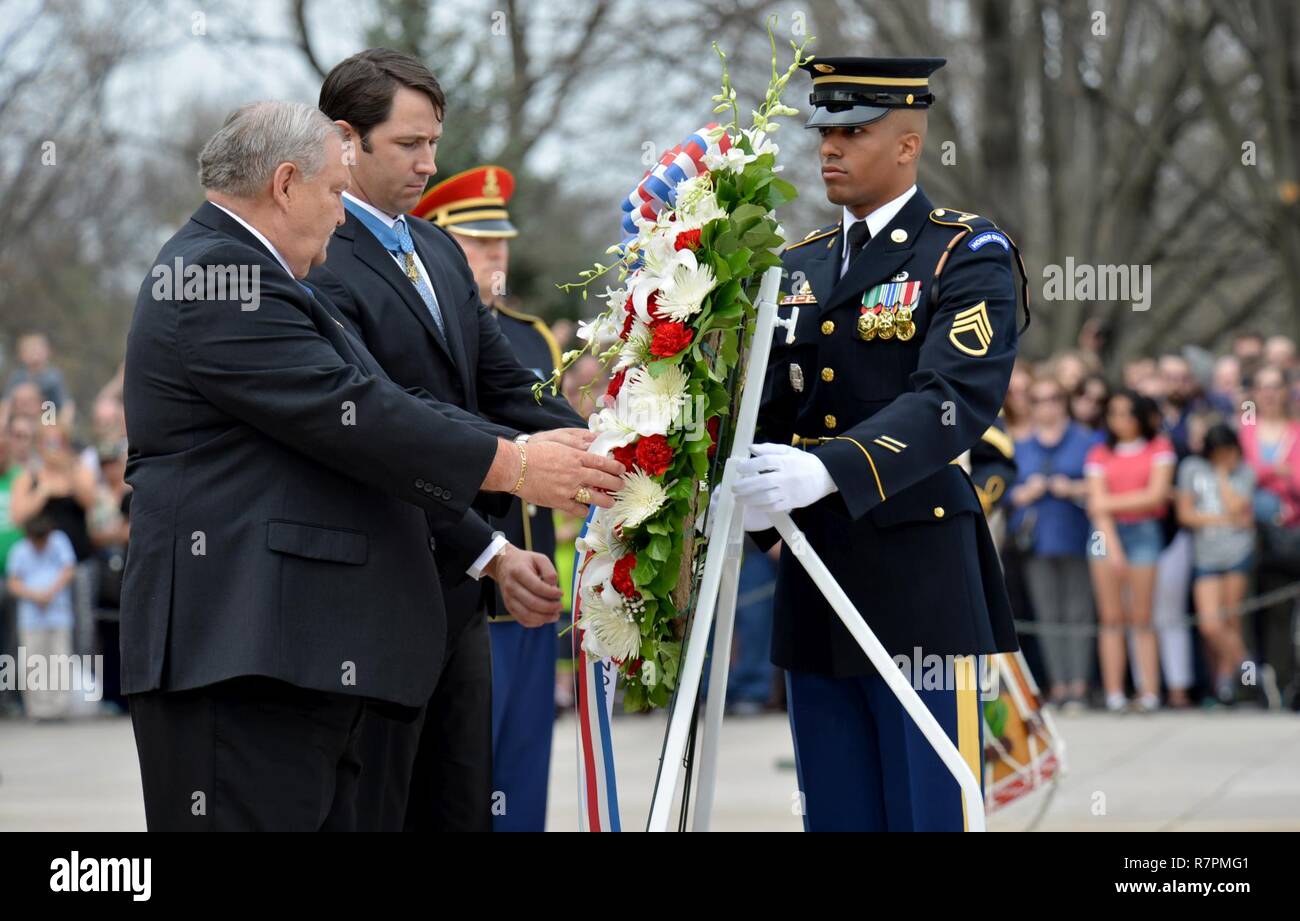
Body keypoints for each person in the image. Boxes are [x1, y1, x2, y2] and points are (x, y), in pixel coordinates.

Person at [122, 100, 624, 831]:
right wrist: (513, 464)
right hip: (238, 656)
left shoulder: (263, 276)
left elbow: (381, 400)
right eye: (333, 194)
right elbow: (351, 413)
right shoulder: (214, 278)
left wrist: (566, 448)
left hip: (289, 657)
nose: (340, 218)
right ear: (286, 184)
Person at [734, 56, 1024, 831]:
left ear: (906, 145)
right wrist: (755, 505)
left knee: (927, 808)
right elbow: (762, 410)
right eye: (824, 131)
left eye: (852, 132)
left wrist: (828, 468)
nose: (829, 147)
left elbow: (952, 400)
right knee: (835, 811)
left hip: (916, 582)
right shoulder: (795, 266)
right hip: (815, 574)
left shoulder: (964, 254)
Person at [308, 50, 588, 832]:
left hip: (459, 600)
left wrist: (605, 443)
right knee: (380, 811)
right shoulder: (322, 264)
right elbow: (393, 420)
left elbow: (502, 383)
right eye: (408, 144)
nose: (429, 162)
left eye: (434, 142)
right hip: (377, 595)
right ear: (345, 140)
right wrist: (495, 530)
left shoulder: (434, 249)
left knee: (461, 806)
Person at [412, 160, 579, 830]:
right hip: (467, 570)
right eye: (481, 243)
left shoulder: (530, 335)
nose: (496, 253)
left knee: (524, 769)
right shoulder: (431, 330)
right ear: (442, 244)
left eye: (502, 240)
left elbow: (556, 420)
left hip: (530, 579)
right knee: (466, 778)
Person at [1009, 375, 1099, 709]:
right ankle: (1058, 685)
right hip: (1036, 541)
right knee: (1047, 614)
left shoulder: (1087, 441)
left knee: (1079, 612)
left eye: (1053, 399)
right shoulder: (1021, 445)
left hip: (1077, 536)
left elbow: (1103, 483)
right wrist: (1023, 493)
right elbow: (1003, 490)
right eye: (1038, 400)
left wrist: (1073, 488)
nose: (1046, 407)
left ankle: (1079, 684)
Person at [1084, 390, 1176, 712]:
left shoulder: (1159, 448)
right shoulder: (1098, 452)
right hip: (1105, 534)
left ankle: (1148, 692)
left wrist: (1108, 502)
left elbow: (1156, 496)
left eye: (1127, 413)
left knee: (1142, 615)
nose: (1120, 420)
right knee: (1110, 617)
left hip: (1144, 532)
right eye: (1114, 413)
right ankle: (1114, 693)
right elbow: (1098, 508)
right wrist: (1114, 548)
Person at [1176, 423, 1255, 705]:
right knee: (1210, 624)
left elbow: (1237, 506)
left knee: (1231, 619)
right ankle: (1250, 668)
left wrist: (1222, 476)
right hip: (1206, 554)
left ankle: (1225, 686)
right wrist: (1224, 521)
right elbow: (1185, 514)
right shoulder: (1191, 468)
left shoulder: (1245, 471)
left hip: (1237, 552)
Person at [5, 514, 76, 720]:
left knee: (60, 660)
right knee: (32, 663)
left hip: (58, 612)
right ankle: (38, 709)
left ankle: (60, 708)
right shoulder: (19, 550)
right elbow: (13, 582)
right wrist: (35, 595)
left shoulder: (59, 541)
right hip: (31, 617)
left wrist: (51, 591)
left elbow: (69, 569)